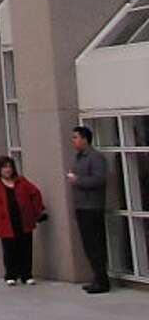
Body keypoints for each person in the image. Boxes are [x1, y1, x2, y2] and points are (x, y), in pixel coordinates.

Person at [0, 156, 43, 284]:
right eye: (5, 167)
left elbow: (35, 193)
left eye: (10, 167)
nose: (8, 170)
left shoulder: (21, 181)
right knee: (9, 247)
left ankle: (26, 274)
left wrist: (36, 210)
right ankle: (10, 274)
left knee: (26, 246)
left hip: (23, 219)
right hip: (5, 221)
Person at [67, 125, 110, 293]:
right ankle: (96, 278)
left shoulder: (95, 157)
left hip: (92, 206)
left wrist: (77, 181)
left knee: (96, 245)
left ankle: (102, 280)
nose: (74, 141)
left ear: (85, 139)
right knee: (88, 245)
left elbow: (99, 180)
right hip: (81, 206)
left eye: (76, 137)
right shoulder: (78, 158)